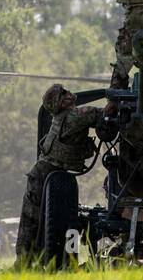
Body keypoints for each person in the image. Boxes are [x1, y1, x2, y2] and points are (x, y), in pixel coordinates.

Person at [16, 83, 104, 266]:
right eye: (63, 93)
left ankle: (28, 262)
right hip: (43, 175)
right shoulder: (73, 117)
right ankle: (24, 263)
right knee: (31, 221)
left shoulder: (63, 117)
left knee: (32, 221)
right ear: (61, 103)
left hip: (45, 173)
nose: (69, 93)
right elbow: (100, 114)